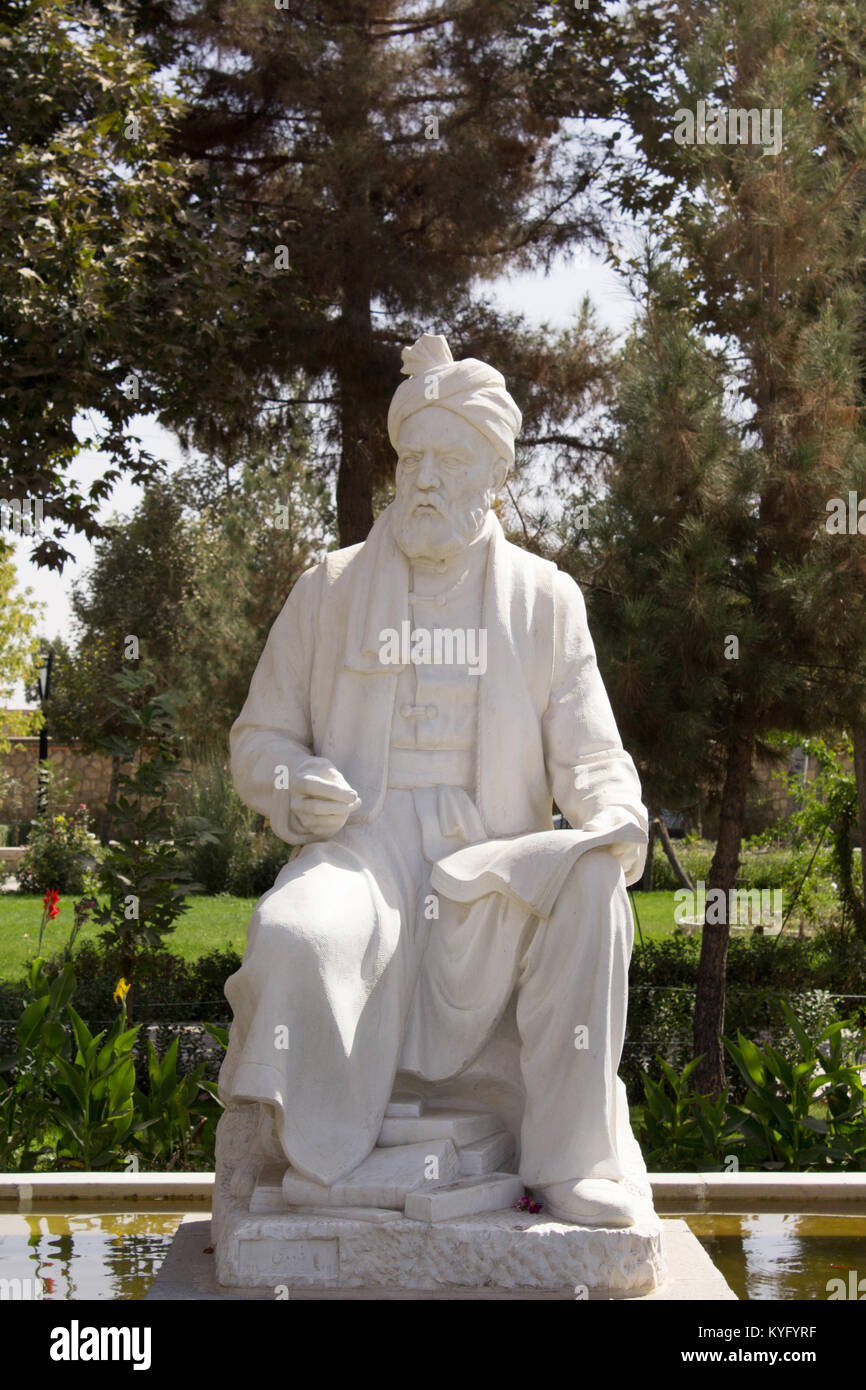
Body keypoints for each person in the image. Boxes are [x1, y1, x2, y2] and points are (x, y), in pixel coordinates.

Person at [218, 333, 648, 1226]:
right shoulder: (330, 589)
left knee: (593, 884)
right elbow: (259, 738)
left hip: (488, 863)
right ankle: (319, 1161)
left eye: (448, 462)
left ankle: (569, 1162)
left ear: (494, 475)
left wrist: (613, 812)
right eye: (412, 459)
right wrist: (294, 783)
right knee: (293, 934)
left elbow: (592, 755)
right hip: (363, 854)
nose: (423, 481)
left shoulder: (545, 600)